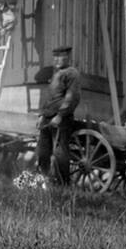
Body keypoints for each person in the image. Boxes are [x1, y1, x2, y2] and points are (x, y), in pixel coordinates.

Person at [36, 45, 81, 186]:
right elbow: (49, 99)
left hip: (62, 119)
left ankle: (63, 184)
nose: (57, 60)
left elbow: (72, 97)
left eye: (60, 57)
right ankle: (44, 180)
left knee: (60, 152)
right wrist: (42, 115)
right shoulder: (56, 74)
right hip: (48, 117)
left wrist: (60, 115)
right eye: (55, 57)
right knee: (43, 150)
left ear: (68, 57)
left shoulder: (72, 73)